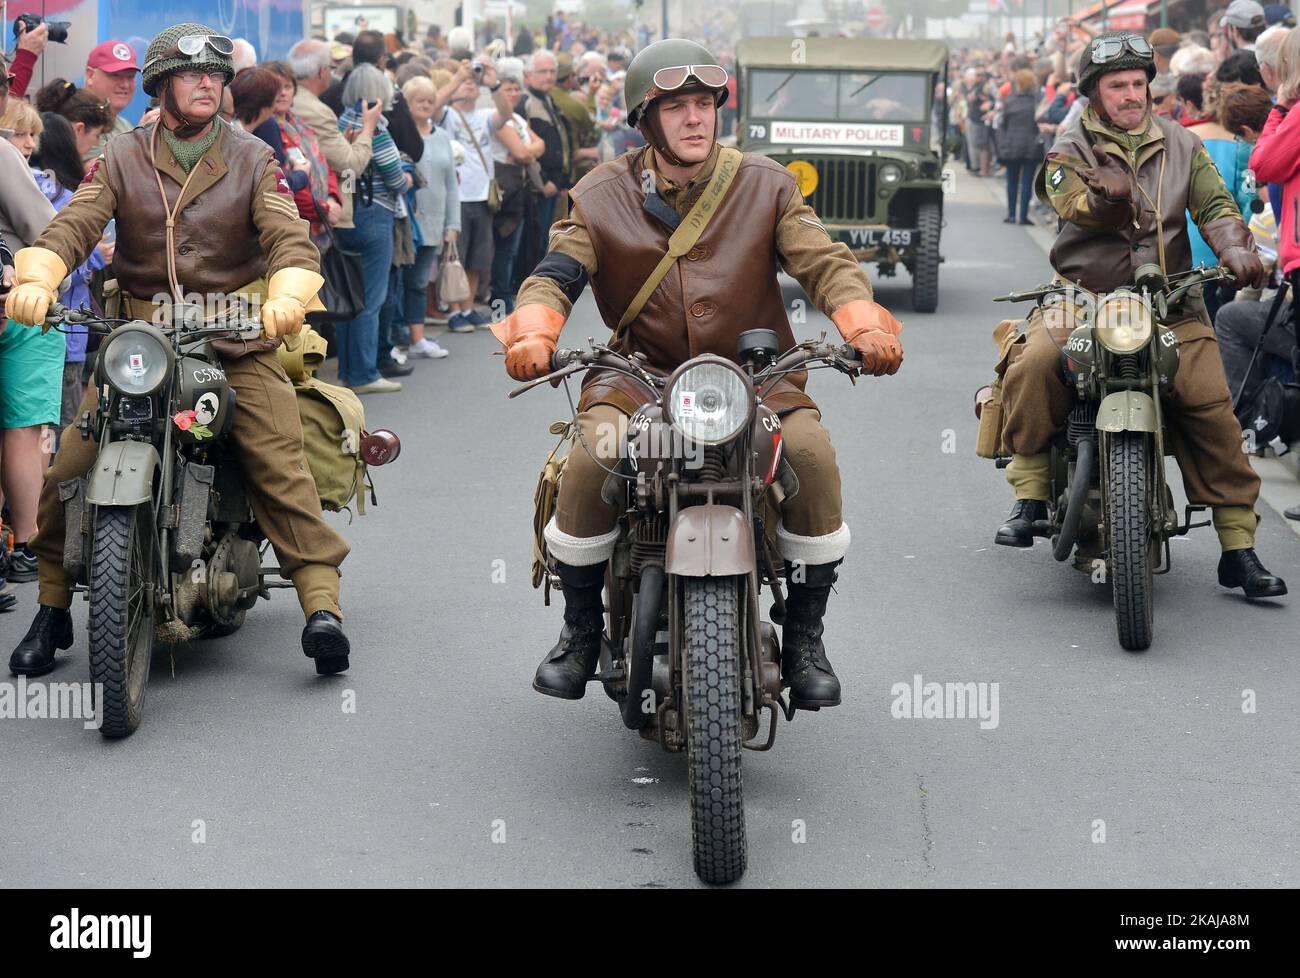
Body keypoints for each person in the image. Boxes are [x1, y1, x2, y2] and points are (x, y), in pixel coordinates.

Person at [492, 39, 905, 707]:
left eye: (705, 104)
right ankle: (579, 629)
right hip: (639, 374)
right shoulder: (601, 193)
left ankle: (803, 634)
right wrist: (534, 332)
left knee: (812, 457)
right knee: (592, 458)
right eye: (676, 107)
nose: (694, 119)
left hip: (755, 377)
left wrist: (864, 326)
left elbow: (824, 260)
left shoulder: (767, 183)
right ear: (645, 120)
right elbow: (556, 272)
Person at [4, 23, 354, 677]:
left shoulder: (253, 157)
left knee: (280, 465)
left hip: (234, 339)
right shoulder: (121, 156)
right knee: (66, 471)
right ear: (161, 86)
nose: (206, 85)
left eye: (216, 76)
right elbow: (76, 221)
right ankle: (52, 608)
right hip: (139, 341)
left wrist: (286, 295)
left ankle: (321, 607)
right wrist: (38, 274)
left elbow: (288, 235)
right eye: (190, 75)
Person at [994, 31, 1286, 599]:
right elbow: (1069, 202)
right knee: (1034, 362)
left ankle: (1238, 547)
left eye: (1138, 83)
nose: (1131, 94)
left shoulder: (1182, 144)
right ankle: (1029, 495)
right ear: (1094, 93)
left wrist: (1235, 247)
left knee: (1211, 403)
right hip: (1083, 296)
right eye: (1116, 85)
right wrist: (1104, 197)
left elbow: (1215, 205)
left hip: (1170, 299)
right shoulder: (1068, 147)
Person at [0, 97, 62, 587]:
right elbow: (45, 230)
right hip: (19, 303)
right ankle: (26, 541)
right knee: (25, 425)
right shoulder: (2, 156)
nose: (29, 146)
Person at [28, 111, 113, 428]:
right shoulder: (68, 198)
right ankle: (61, 479)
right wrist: (97, 257)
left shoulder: (26, 188)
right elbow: (63, 260)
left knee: (35, 422)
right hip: (66, 330)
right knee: (65, 423)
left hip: (33, 328)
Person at [332, 63, 411, 393]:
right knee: (371, 299)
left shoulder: (341, 121)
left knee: (349, 296)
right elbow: (395, 177)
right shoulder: (375, 128)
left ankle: (348, 370)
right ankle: (364, 373)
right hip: (375, 214)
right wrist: (406, 176)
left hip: (346, 214)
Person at [428, 58, 516, 332]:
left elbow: (506, 112)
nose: (470, 86)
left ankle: (467, 308)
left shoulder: (483, 117)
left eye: (472, 83)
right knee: (456, 256)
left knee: (479, 258)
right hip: (457, 196)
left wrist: (493, 83)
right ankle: (454, 311)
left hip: (482, 196)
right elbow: (433, 107)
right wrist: (458, 77)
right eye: (466, 83)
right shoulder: (448, 116)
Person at [287, 39, 382, 235]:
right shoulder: (317, 111)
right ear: (322, 71)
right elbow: (350, 165)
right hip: (320, 215)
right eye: (331, 67)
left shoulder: (297, 102)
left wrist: (343, 142)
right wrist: (368, 129)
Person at [404, 72, 460, 358]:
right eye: (418, 100)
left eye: (429, 100)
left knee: (419, 282)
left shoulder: (442, 138)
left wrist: (453, 223)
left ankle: (417, 339)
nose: (425, 105)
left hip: (434, 222)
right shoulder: (400, 136)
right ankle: (397, 339)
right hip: (404, 223)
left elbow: (451, 184)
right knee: (400, 283)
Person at [80, 40, 144, 161]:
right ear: (90, 75)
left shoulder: (123, 124)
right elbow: (93, 171)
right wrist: (140, 140)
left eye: (130, 77)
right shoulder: (75, 117)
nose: (125, 84)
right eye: (115, 75)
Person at [998, 69, 1043, 225]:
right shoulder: (1036, 102)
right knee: (1027, 182)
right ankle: (1023, 215)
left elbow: (1003, 124)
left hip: (1012, 145)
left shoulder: (1009, 102)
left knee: (1011, 181)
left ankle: (1011, 214)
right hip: (1031, 145)